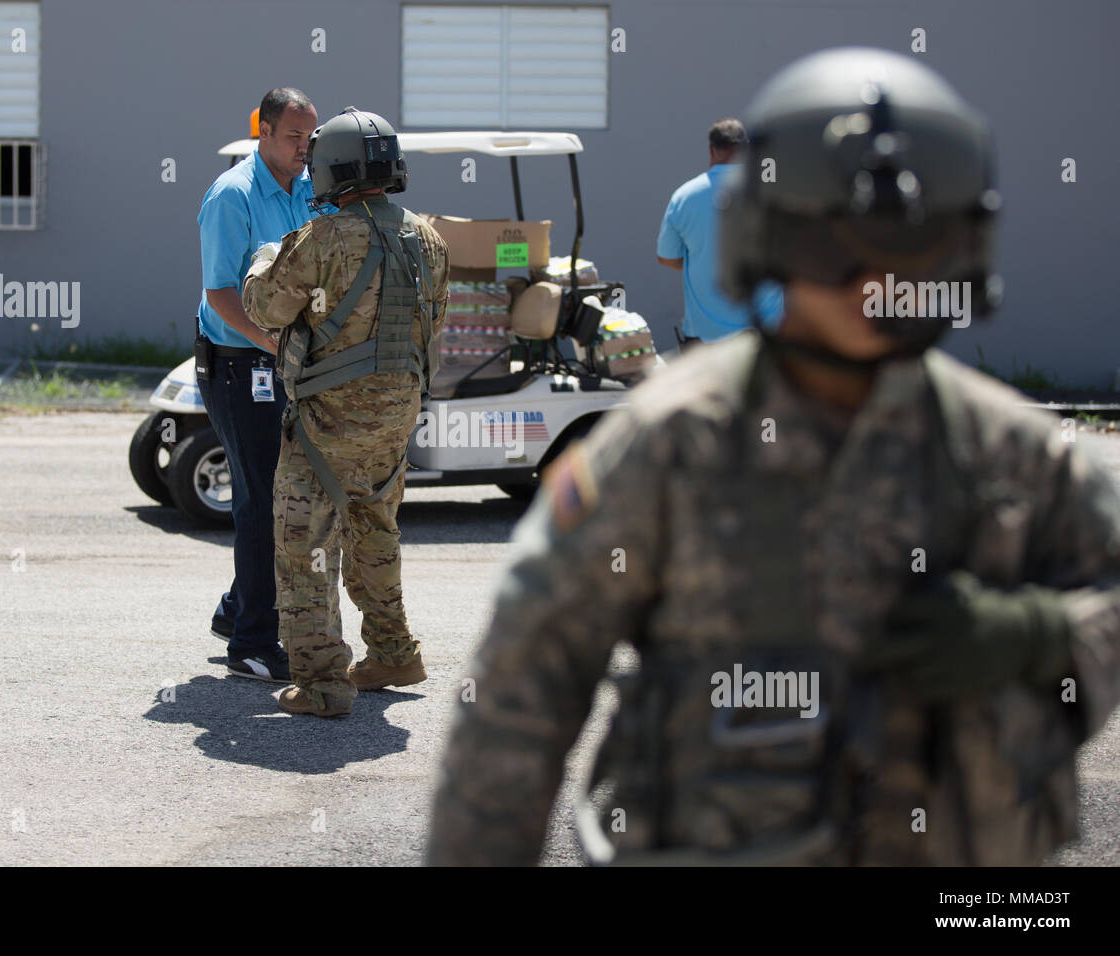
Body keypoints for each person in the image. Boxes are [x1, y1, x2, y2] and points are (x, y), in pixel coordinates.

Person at [428, 47, 1120, 865]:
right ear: (771, 243)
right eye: (838, 248)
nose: (876, 282)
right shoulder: (670, 444)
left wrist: (1038, 636)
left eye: (910, 248)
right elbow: (520, 695)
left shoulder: (1013, 452)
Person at [242, 107, 450, 717]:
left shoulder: (323, 239)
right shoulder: (428, 238)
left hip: (324, 427)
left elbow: (265, 308)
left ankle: (323, 683)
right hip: (392, 422)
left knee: (303, 547)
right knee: (375, 533)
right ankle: (392, 652)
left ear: (331, 168)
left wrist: (263, 259)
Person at [195, 87, 320, 682]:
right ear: (263, 131)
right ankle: (250, 644)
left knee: (285, 498)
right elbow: (221, 295)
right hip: (240, 365)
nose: (304, 148)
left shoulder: (305, 192)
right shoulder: (233, 196)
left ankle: (234, 610)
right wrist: (275, 346)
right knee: (261, 502)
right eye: (293, 137)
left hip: (283, 365)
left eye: (310, 138)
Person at [656, 118, 782, 346]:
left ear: (711, 150)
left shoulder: (684, 196)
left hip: (706, 337)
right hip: (765, 333)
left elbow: (667, 258)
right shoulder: (771, 193)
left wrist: (701, 260)